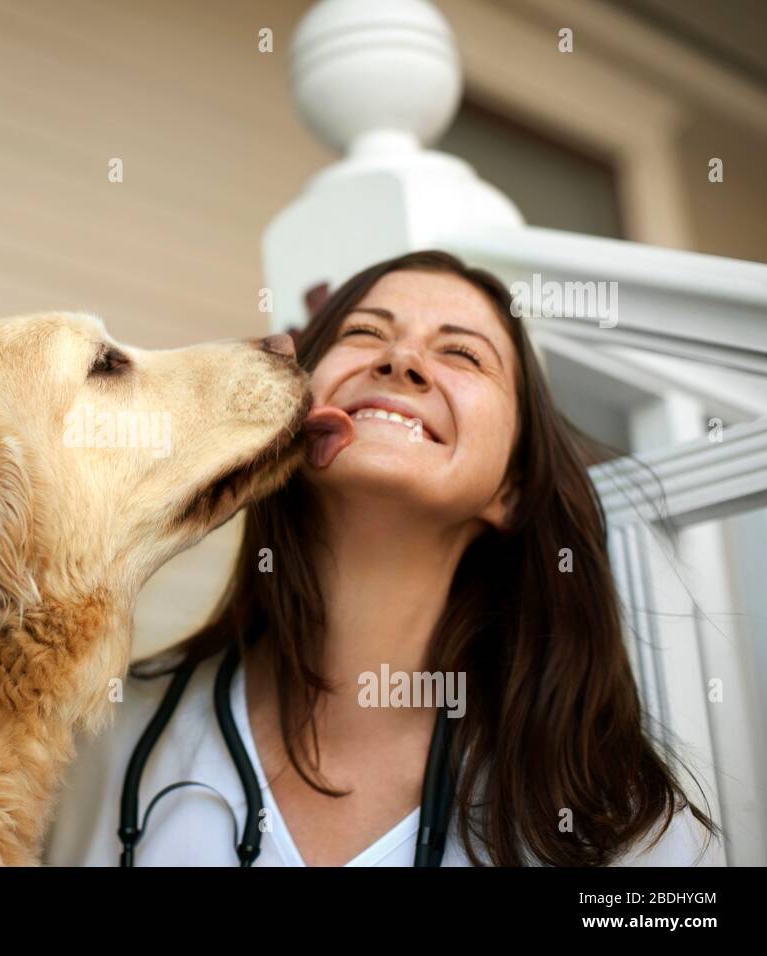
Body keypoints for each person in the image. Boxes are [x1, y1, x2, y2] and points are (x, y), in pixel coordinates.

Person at [44, 250, 720, 866]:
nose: (402, 362)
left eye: (463, 355)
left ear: (511, 489)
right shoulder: (93, 740)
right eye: (363, 333)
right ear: (296, 416)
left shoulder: (630, 827)